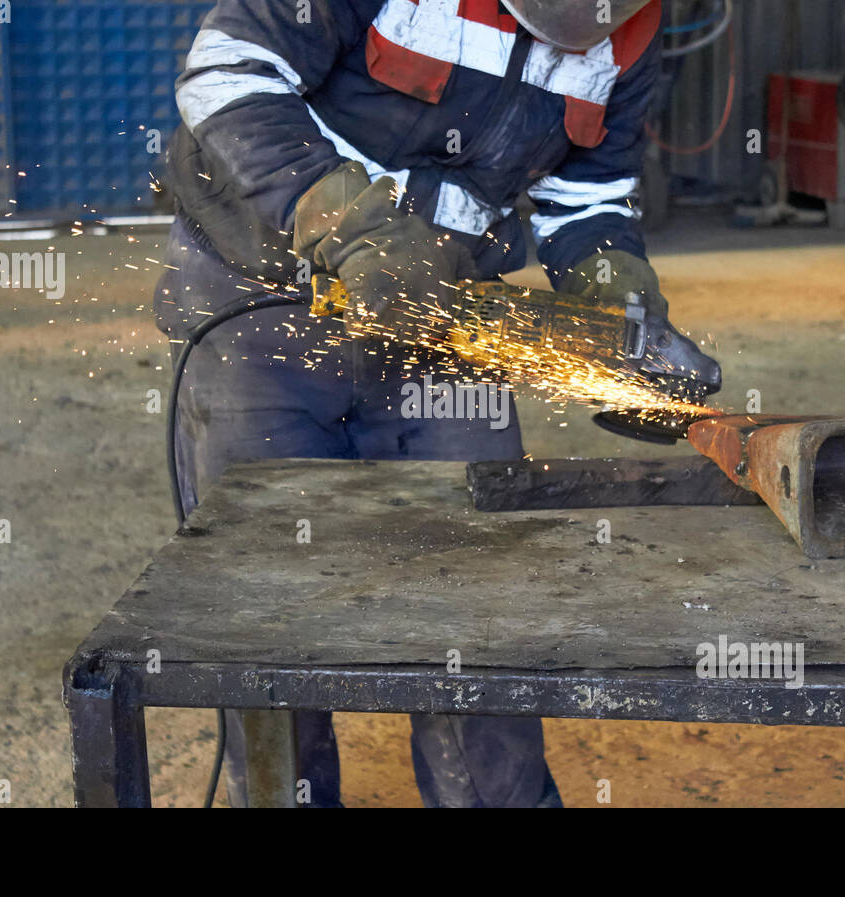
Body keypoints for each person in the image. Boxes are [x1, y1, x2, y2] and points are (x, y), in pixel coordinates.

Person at [153, 0, 721, 808]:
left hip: (449, 319)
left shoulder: (629, 27)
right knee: (268, 623)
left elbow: (588, 192)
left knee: (481, 617)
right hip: (262, 308)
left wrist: (614, 305)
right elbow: (228, 71)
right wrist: (351, 224)